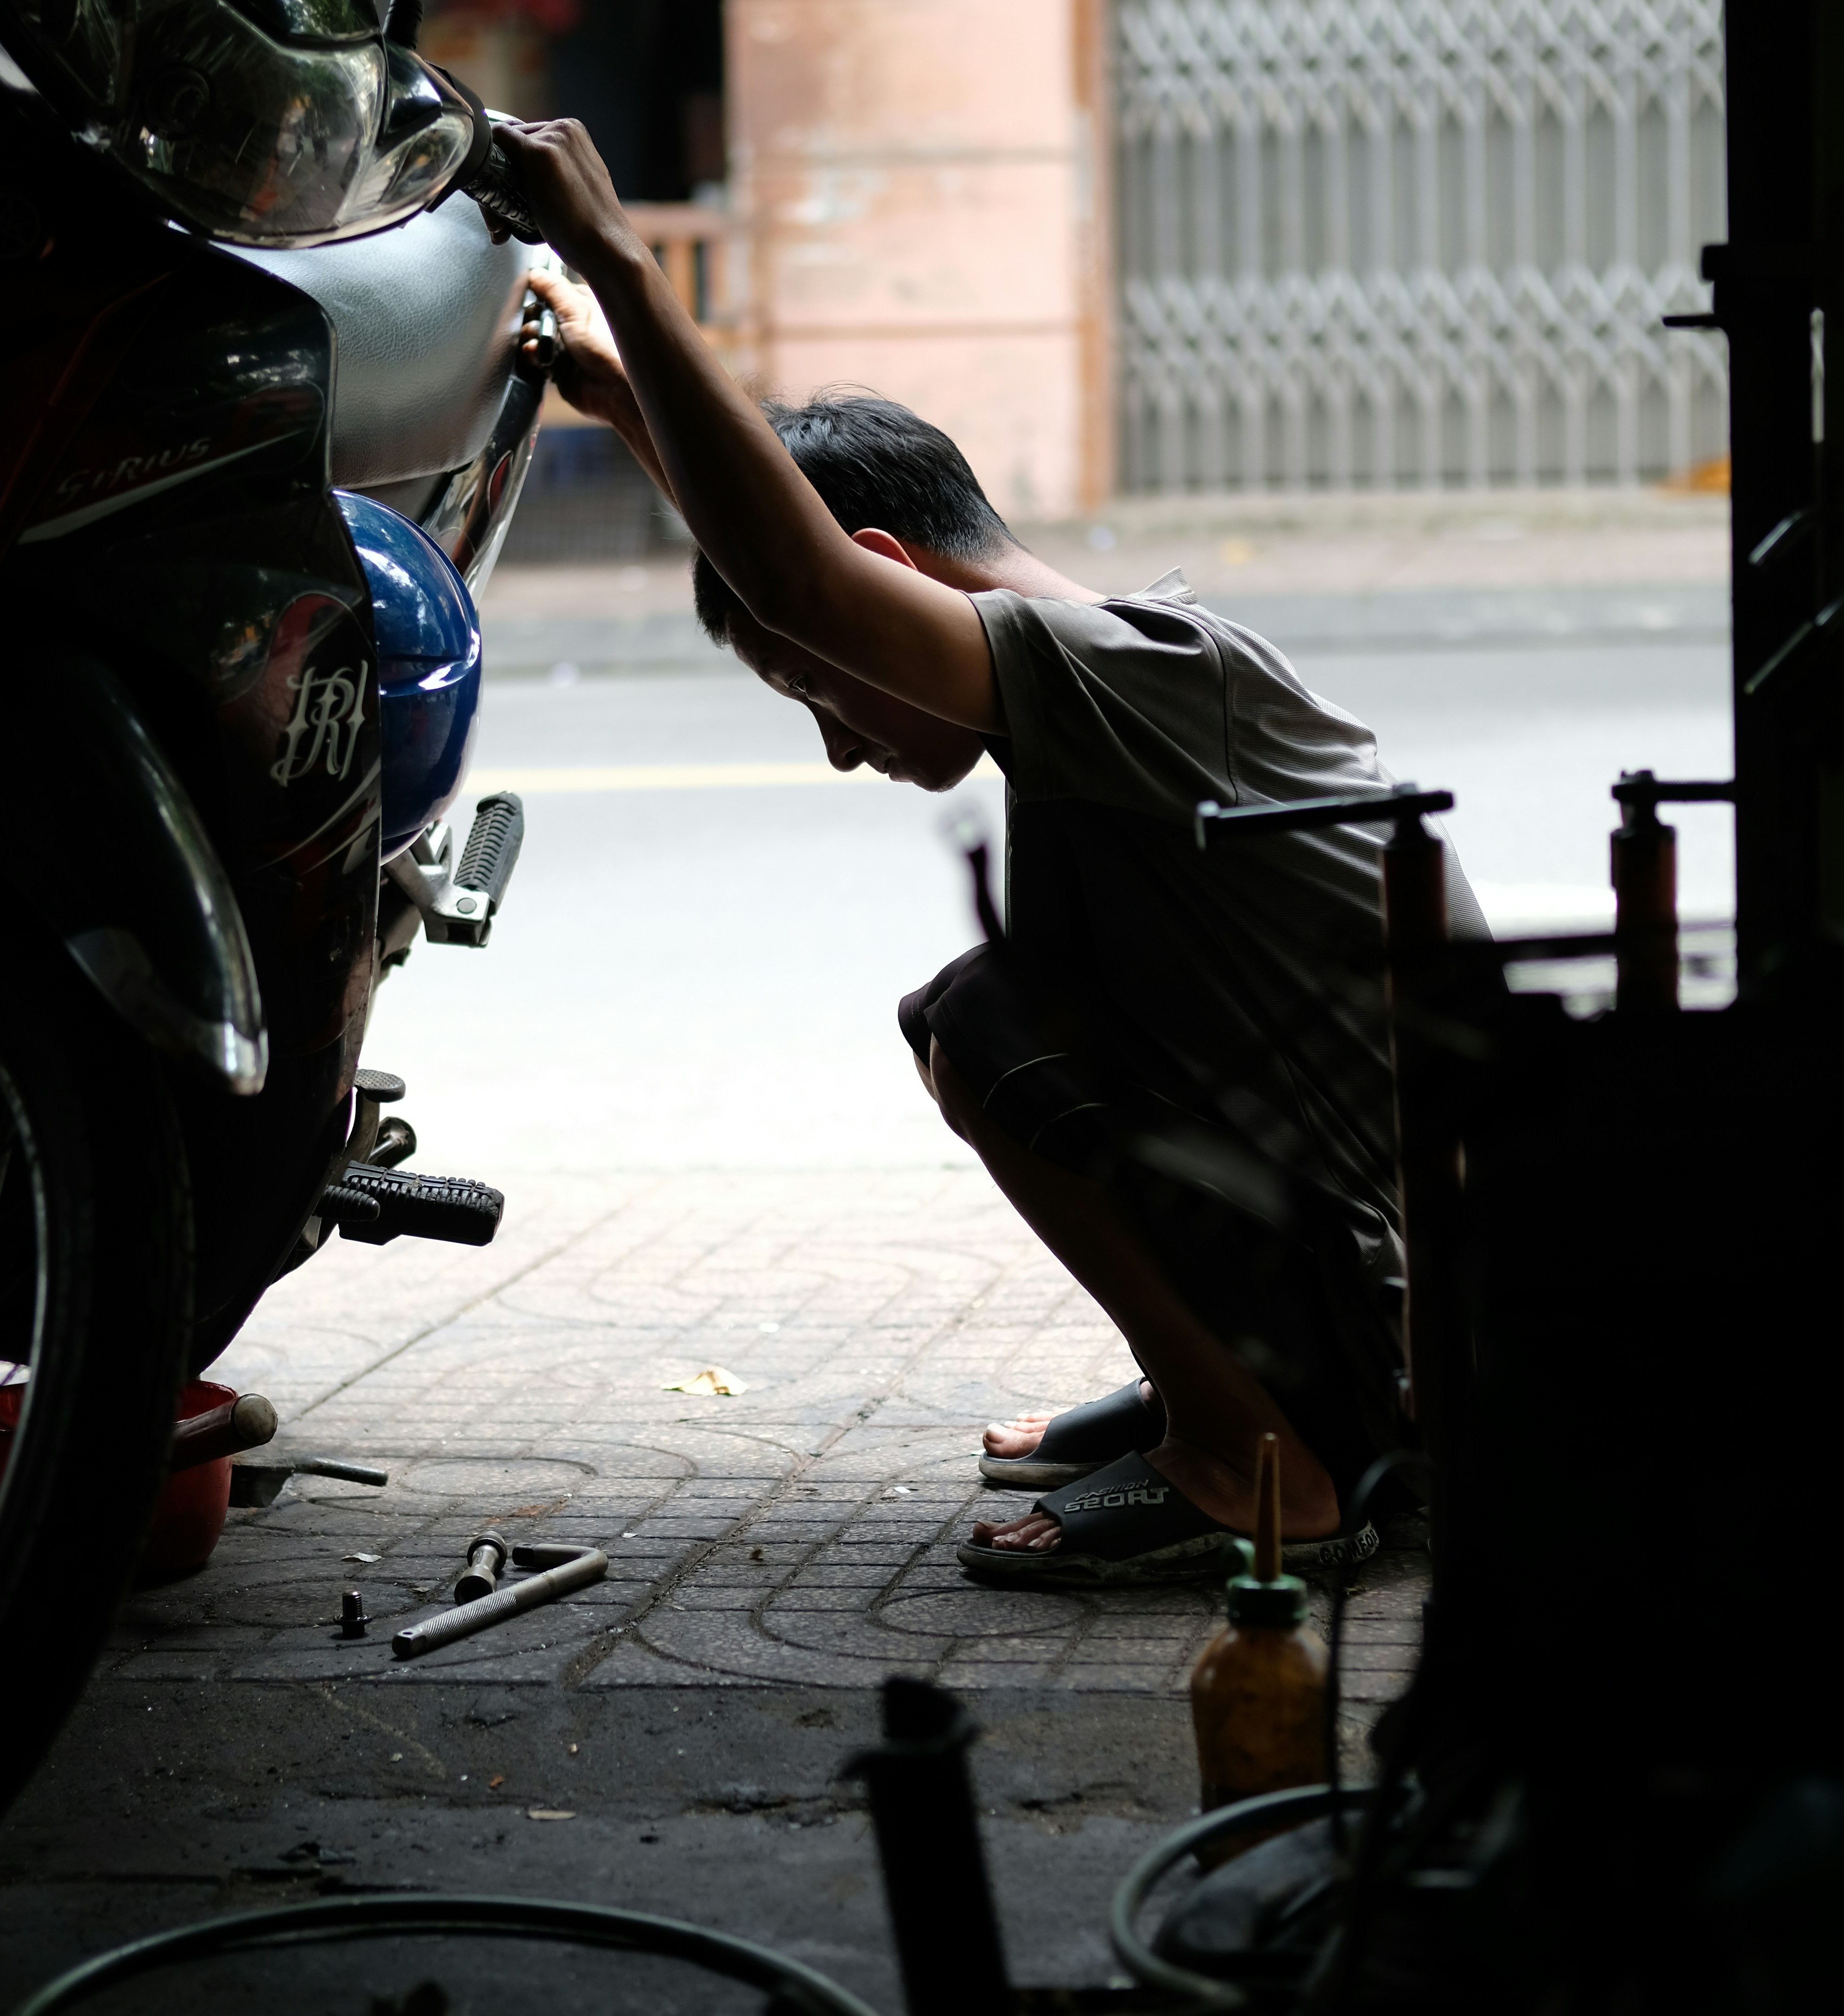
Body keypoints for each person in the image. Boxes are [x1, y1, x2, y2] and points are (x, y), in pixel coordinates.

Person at [504, 118, 1487, 1590]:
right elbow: (796, 571)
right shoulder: (1119, 686)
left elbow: (801, 576)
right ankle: (1216, 1386)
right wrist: (632, 404)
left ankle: (1260, 1456)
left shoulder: (1121, 669)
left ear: (892, 575)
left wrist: (624, 268)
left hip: (1406, 1320)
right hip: (1375, 1277)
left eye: (823, 692)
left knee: (990, 1022)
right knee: (1015, 1002)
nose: (842, 743)